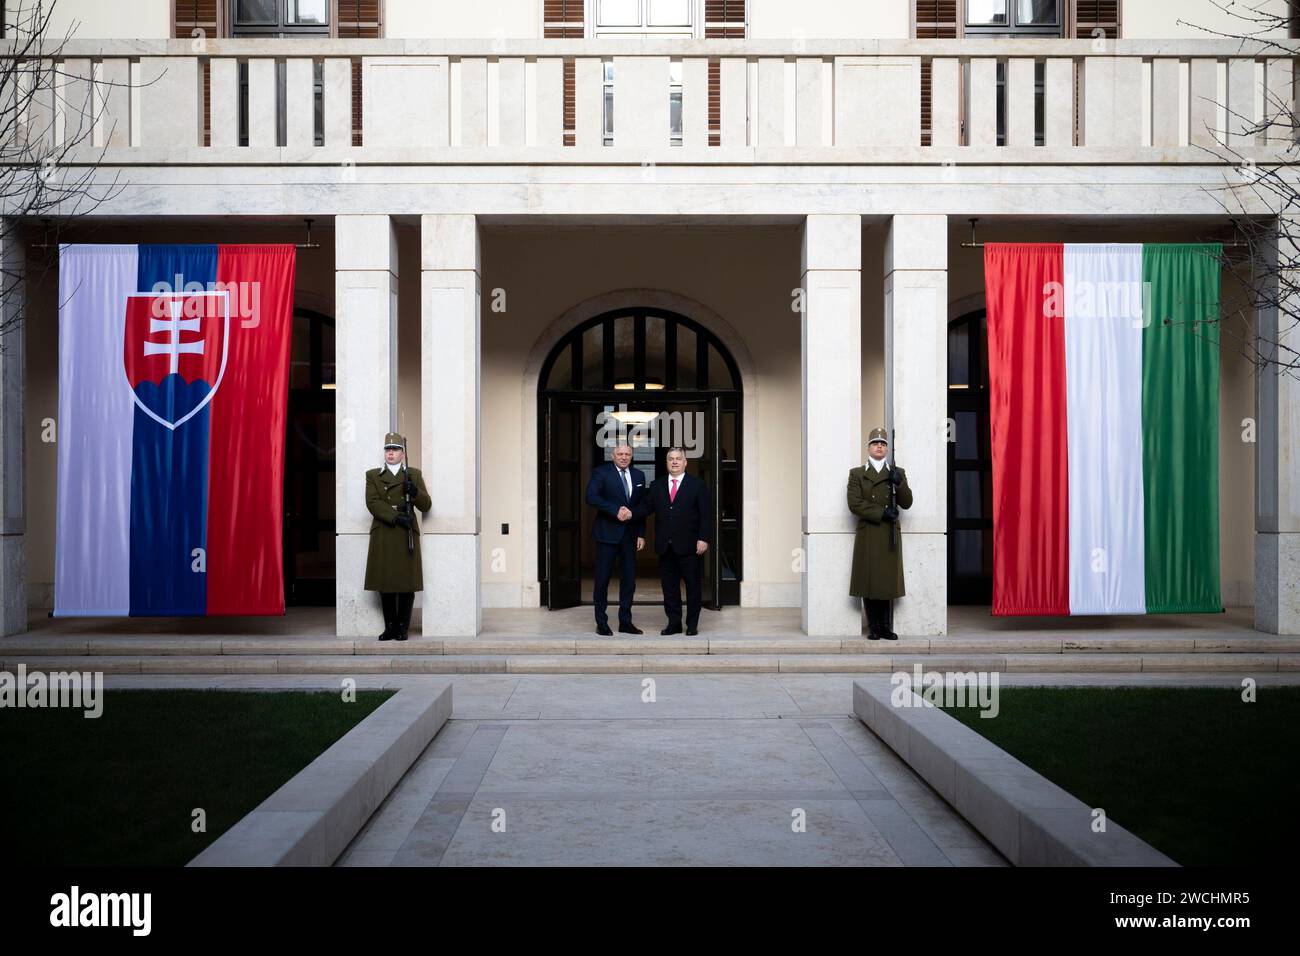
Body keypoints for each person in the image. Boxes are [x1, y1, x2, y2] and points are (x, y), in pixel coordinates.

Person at [634, 447, 711, 635]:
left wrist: (704, 538)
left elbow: (706, 515)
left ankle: (692, 625)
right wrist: (629, 513)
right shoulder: (657, 485)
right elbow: (646, 508)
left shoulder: (697, 485)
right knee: (669, 589)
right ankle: (674, 623)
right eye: (671, 459)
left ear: (685, 462)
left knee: (693, 588)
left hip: (690, 546)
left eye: (678, 458)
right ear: (666, 463)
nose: (675, 462)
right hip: (665, 546)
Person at [364, 433, 432, 641]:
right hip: (385, 530)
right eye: (387, 449)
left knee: (405, 582)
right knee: (385, 582)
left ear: (402, 453)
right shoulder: (373, 475)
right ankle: (390, 627)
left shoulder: (413, 474)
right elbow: (373, 503)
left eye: (395, 449)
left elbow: (426, 505)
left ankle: (403, 627)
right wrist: (395, 517)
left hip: (406, 533)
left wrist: (415, 492)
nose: (390, 452)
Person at [847, 427, 913, 641]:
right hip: (869, 532)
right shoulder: (857, 473)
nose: (879, 446)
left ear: (887, 449)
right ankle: (873, 626)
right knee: (869, 580)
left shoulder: (897, 472)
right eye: (875, 443)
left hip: (888, 534)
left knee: (886, 581)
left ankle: (885, 626)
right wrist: (882, 512)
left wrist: (899, 483)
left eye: (883, 444)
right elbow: (854, 504)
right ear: (868, 447)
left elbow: (907, 502)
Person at [584, 443, 646, 636]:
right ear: (613, 456)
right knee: (602, 580)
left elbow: (642, 506)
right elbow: (591, 496)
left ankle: (625, 622)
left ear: (632, 456)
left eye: (627, 454)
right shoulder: (601, 473)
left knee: (629, 581)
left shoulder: (639, 476)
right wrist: (615, 510)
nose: (624, 457)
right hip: (607, 535)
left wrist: (641, 533)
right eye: (620, 454)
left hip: (629, 536)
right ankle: (601, 622)